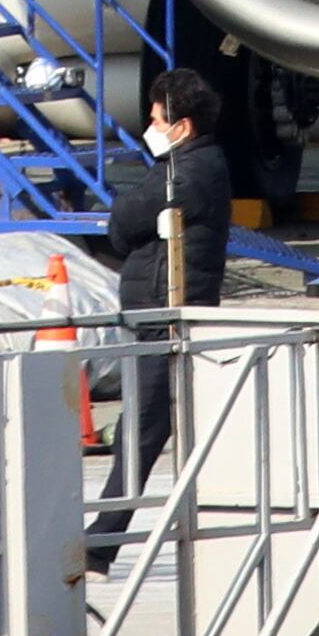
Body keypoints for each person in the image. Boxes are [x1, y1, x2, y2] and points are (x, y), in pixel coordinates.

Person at [96, 69, 232, 507]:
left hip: (166, 311)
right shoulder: (181, 166)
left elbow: (124, 220)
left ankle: (104, 539)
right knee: (145, 423)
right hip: (153, 309)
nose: (150, 130)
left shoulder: (186, 174)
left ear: (182, 127)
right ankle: (106, 536)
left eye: (157, 121)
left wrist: (125, 221)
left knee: (144, 427)